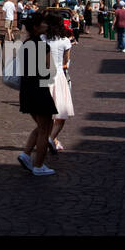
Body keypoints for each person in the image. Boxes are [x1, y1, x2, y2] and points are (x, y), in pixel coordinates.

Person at [17, 13, 57, 176]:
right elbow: (49, 69)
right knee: (44, 129)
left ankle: (26, 154)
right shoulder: (42, 46)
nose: (46, 25)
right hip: (39, 88)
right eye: (43, 23)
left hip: (27, 88)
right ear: (36, 27)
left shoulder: (25, 44)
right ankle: (39, 165)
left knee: (42, 126)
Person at [46, 16, 75, 153]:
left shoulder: (41, 38)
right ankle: (51, 138)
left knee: (47, 113)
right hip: (58, 76)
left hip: (44, 76)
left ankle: (50, 139)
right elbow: (66, 61)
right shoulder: (65, 41)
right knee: (61, 113)